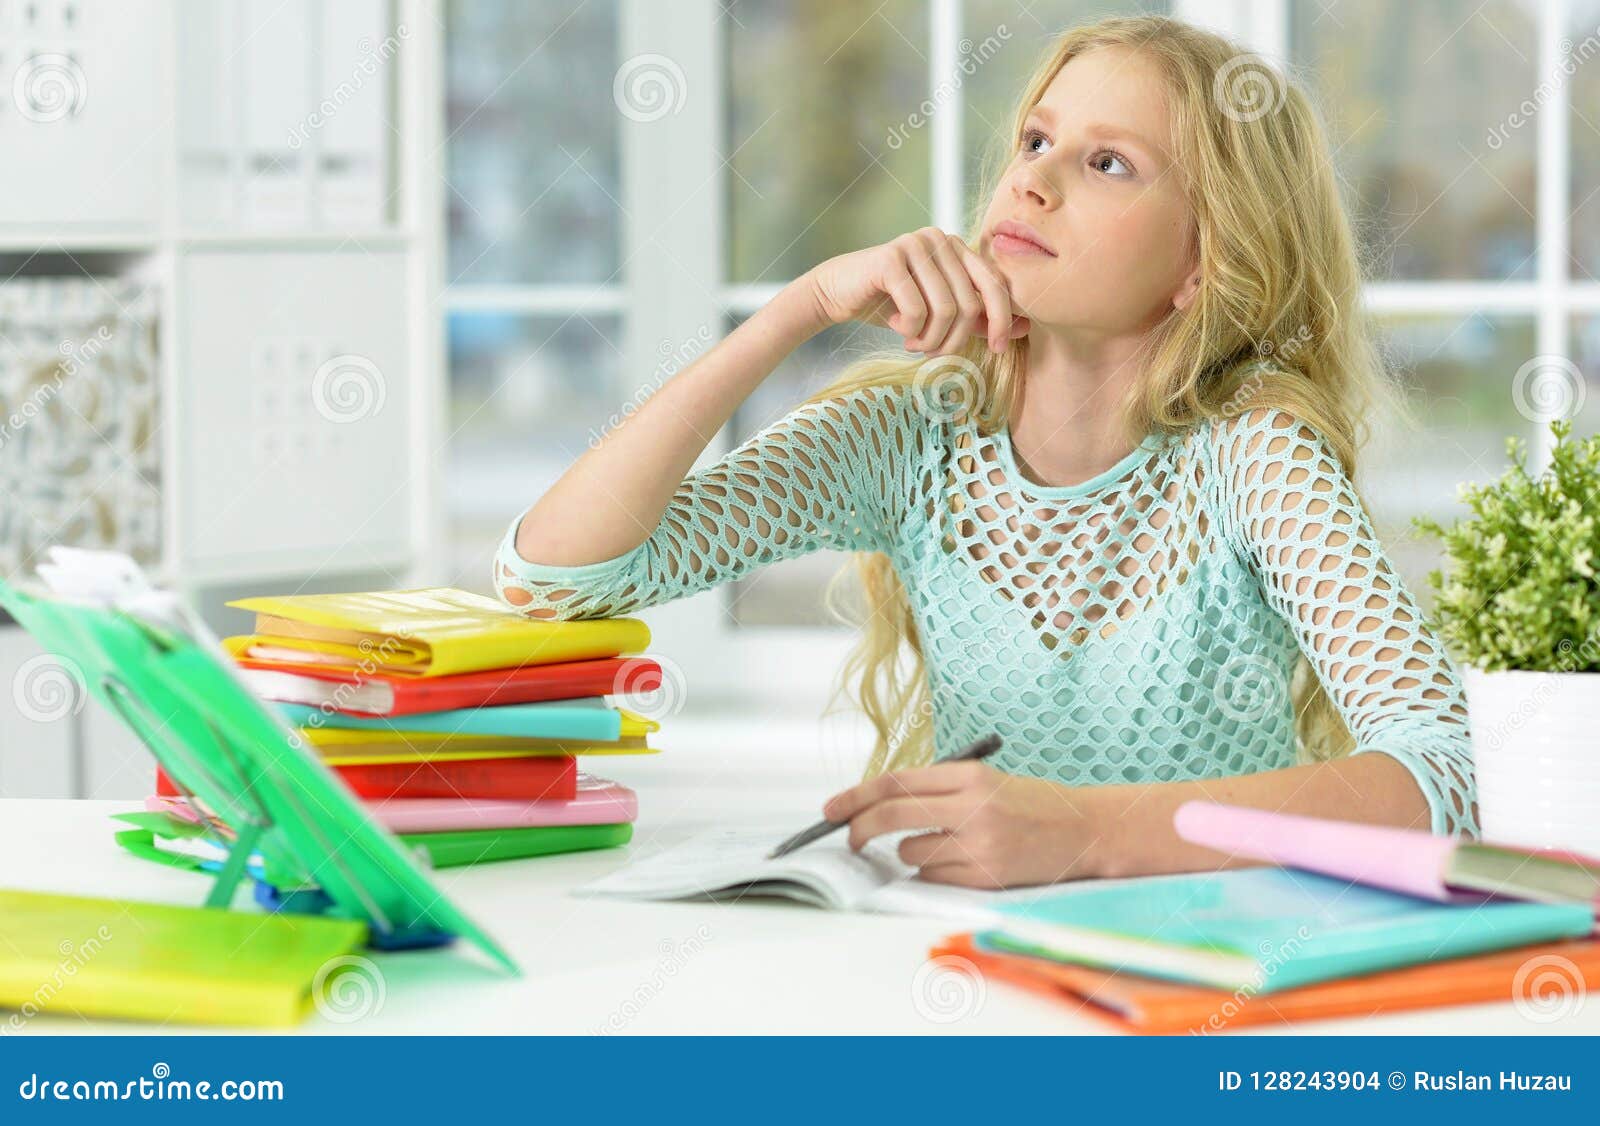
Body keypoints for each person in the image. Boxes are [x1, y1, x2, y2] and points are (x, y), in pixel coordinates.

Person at [492, 14, 1476, 889]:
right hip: (970, 964)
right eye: (1036, 139)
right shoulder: (912, 435)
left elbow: (1443, 773)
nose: (1031, 180)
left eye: (1107, 163)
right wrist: (800, 307)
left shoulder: (1251, 451)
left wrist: (1084, 833)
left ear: (1198, 264)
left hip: (1216, 963)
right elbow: (552, 579)